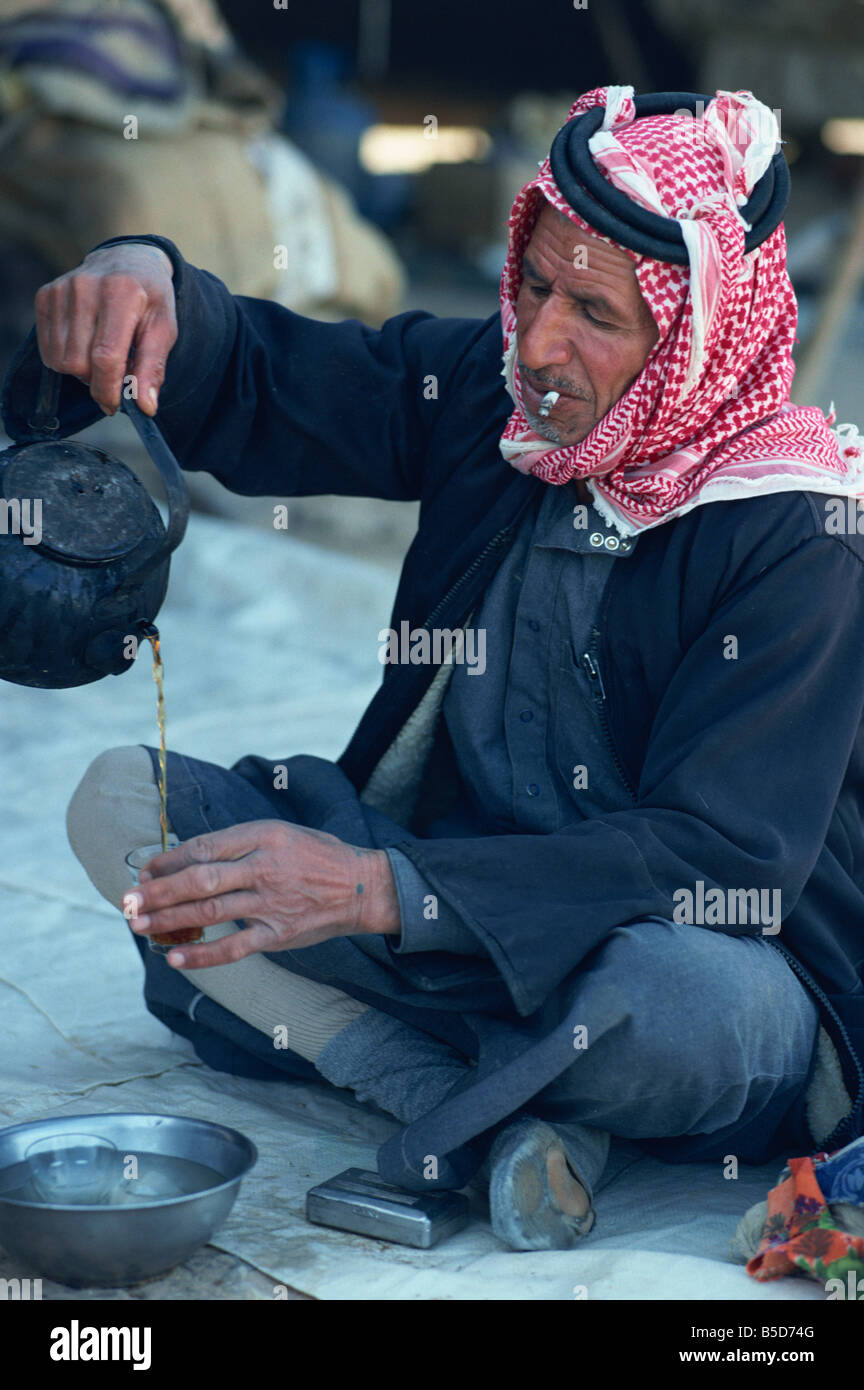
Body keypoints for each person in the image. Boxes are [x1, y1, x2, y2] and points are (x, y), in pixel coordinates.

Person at [7, 84, 864, 1253]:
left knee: (676, 1006)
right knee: (131, 812)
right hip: (452, 919)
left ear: (699, 338)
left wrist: (372, 896)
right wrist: (146, 281)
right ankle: (487, 1115)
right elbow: (269, 379)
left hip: (684, 959)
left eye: (596, 313)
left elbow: (716, 856)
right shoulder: (500, 397)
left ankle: (420, 1074)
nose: (539, 339)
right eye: (533, 283)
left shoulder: (797, 535)